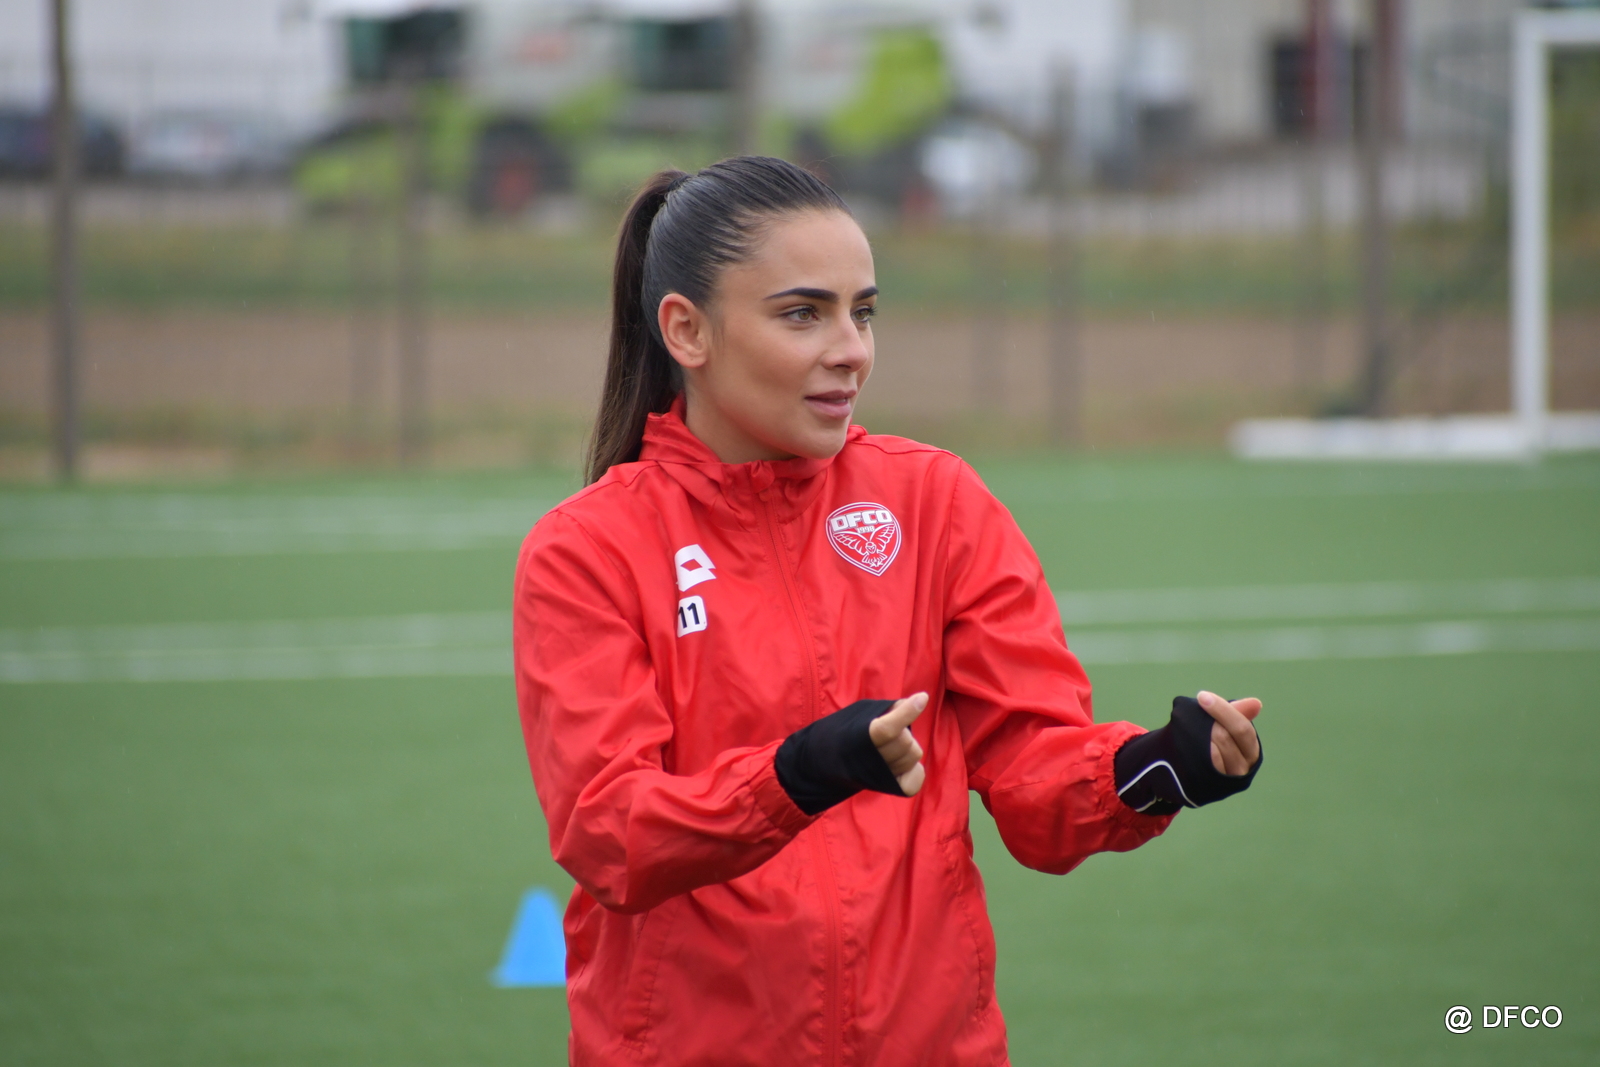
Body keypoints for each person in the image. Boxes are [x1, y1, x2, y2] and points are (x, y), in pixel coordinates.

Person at [512, 156, 1262, 1067]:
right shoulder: (588, 548)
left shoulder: (935, 500)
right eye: (803, 313)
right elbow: (611, 832)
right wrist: (796, 775)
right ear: (687, 330)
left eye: (862, 312)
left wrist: (1152, 767)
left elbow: (1034, 771)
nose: (851, 349)